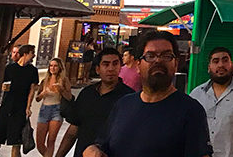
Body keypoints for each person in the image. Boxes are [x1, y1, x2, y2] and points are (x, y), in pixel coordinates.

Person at [84, 30, 212, 157]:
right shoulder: (123, 105)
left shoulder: (191, 111)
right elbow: (102, 144)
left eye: (166, 56)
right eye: (150, 56)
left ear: (176, 64)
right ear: (138, 65)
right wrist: (92, 150)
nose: (158, 61)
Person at [56, 47, 132, 157]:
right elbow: (73, 130)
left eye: (115, 64)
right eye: (106, 64)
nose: (111, 69)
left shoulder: (128, 98)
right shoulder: (87, 94)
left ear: (120, 67)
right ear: (97, 69)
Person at [0, 43, 40, 157]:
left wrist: (28, 107)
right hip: (7, 103)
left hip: (21, 106)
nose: (33, 55)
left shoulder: (32, 71)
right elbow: (1, 83)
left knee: (17, 139)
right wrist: (3, 88)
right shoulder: (10, 68)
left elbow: (32, 90)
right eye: (32, 53)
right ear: (25, 54)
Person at [36, 57, 73, 157]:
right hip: (44, 110)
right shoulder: (45, 80)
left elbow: (69, 97)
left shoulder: (64, 80)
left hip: (56, 110)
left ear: (60, 67)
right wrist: (42, 94)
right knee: (39, 143)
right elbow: (37, 98)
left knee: (51, 141)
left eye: (55, 66)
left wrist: (61, 90)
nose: (53, 68)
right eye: (51, 66)